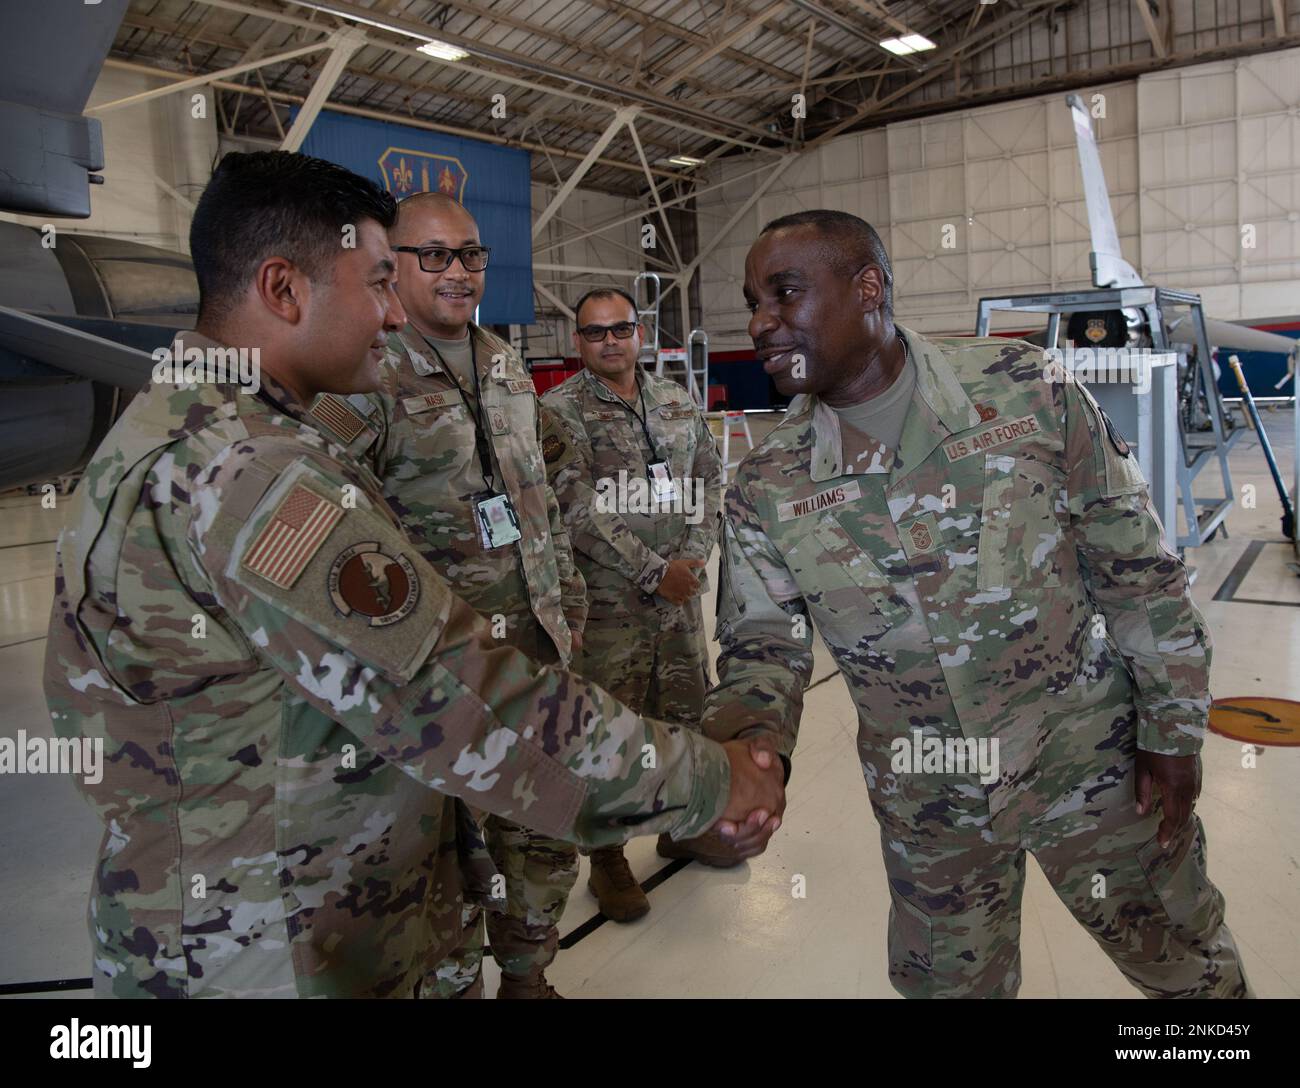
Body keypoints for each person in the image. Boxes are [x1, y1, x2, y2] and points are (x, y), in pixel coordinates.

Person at [41, 150, 783, 999]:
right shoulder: (248, 472)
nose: (394, 316)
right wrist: (715, 781)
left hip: (296, 912)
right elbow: (458, 694)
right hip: (275, 950)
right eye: (379, 282)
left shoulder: (186, 427)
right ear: (285, 290)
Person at [700, 208, 1250, 998]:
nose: (760, 323)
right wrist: (751, 751)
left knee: (1187, 971)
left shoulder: (1025, 390)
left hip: (1093, 763)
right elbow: (762, 646)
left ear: (867, 289)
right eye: (753, 301)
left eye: (784, 294)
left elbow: (1135, 569)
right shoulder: (768, 481)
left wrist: (1174, 726)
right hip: (930, 802)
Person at [310, 190, 586, 999]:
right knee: (449, 845)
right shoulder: (363, 374)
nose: (458, 272)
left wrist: (569, 604)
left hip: (535, 648)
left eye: (470, 254)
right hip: (437, 667)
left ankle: (529, 973)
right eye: (435, 255)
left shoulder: (504, 363)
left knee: (542, 821)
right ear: (392, 267)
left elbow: (538, 494)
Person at [539, 288, 725, 922]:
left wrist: (695, 557)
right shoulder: (559, 411)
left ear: (640, 333)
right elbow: (572, 508)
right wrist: (653, 571)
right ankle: (608, 859)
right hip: (611, 607)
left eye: (620, 329)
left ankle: (681, 824)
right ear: (578, 343)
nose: (609, 342)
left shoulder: (674, 400)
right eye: (595, 333)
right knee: (611, 731)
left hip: (679, 601)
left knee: (685, 716)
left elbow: (709, 476)